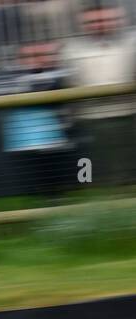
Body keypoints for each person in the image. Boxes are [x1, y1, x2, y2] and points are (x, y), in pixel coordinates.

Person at [0, 41, 76, 196]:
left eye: (40, 55)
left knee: (58, 180)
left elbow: (59, 83)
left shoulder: (56, 71)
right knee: (35, 182)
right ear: (19, 58)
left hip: (54, 139)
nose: (36, 59)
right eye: (29, 56)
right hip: (23, 142)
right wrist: (28, 83)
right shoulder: (8, 73)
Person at [62, 2, 136, 185]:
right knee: (97, 166)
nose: (101, 24)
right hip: (91, 118)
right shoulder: (71, 50)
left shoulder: (133, 42)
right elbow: (69, 83)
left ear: (119, 20)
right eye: (94, 21)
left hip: (130, 114)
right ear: (83, 24)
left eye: (106, 19)